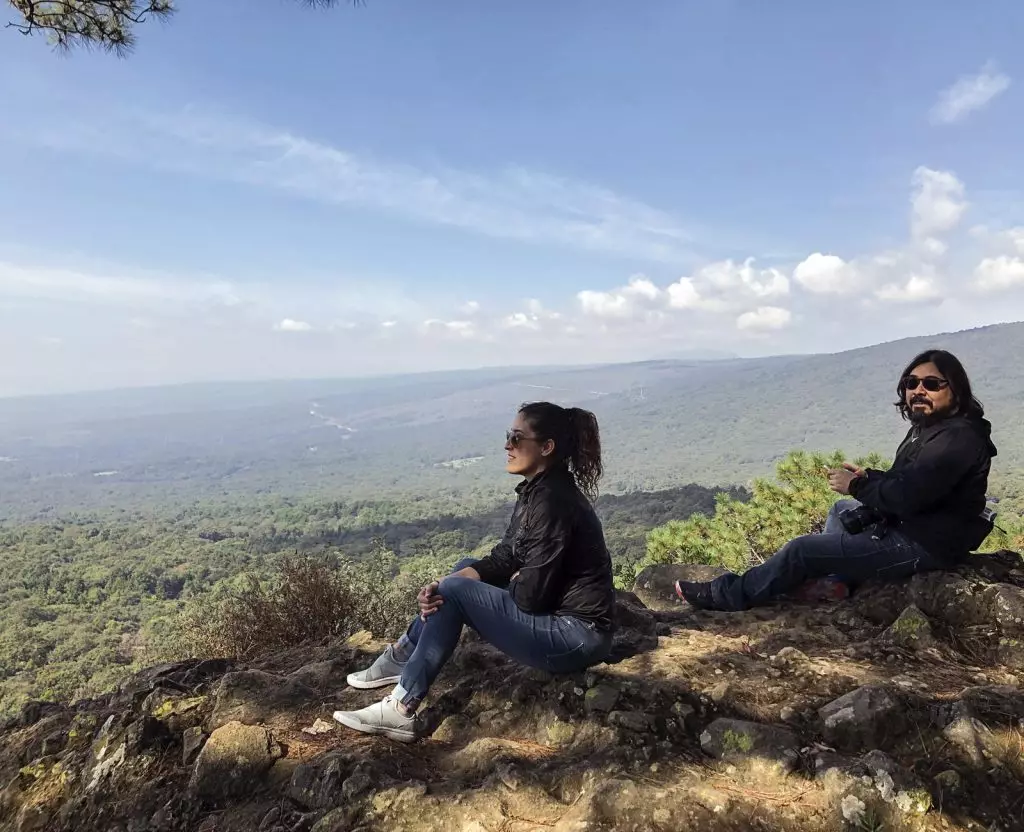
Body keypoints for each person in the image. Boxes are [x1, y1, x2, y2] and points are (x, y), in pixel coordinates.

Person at [332, 402, 617, 742]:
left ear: (546, 447)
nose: (507, 445)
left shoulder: (553, 502)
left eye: (516, 437)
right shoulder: (537, 490)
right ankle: (404, 655)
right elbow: (506, 555)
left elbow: (531, 596)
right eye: (507, 436)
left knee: (455, 592)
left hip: (575, 637)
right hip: (564, 625)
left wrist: (478, 587)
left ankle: (401, 708)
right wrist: (449, 582)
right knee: (460, 572)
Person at [676, 349, 997, 612]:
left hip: (924, 543)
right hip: (916, 527)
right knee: (842, 509)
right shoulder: (932, 429)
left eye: (931, 383)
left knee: (801, 550)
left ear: (955, 389)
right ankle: (836, 582)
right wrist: (871, 478)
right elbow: (916, 481)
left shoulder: (958, 438)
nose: (918, 391)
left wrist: (857, 485)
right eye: (912, 382)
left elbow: (909, 496)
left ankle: (728, 595)